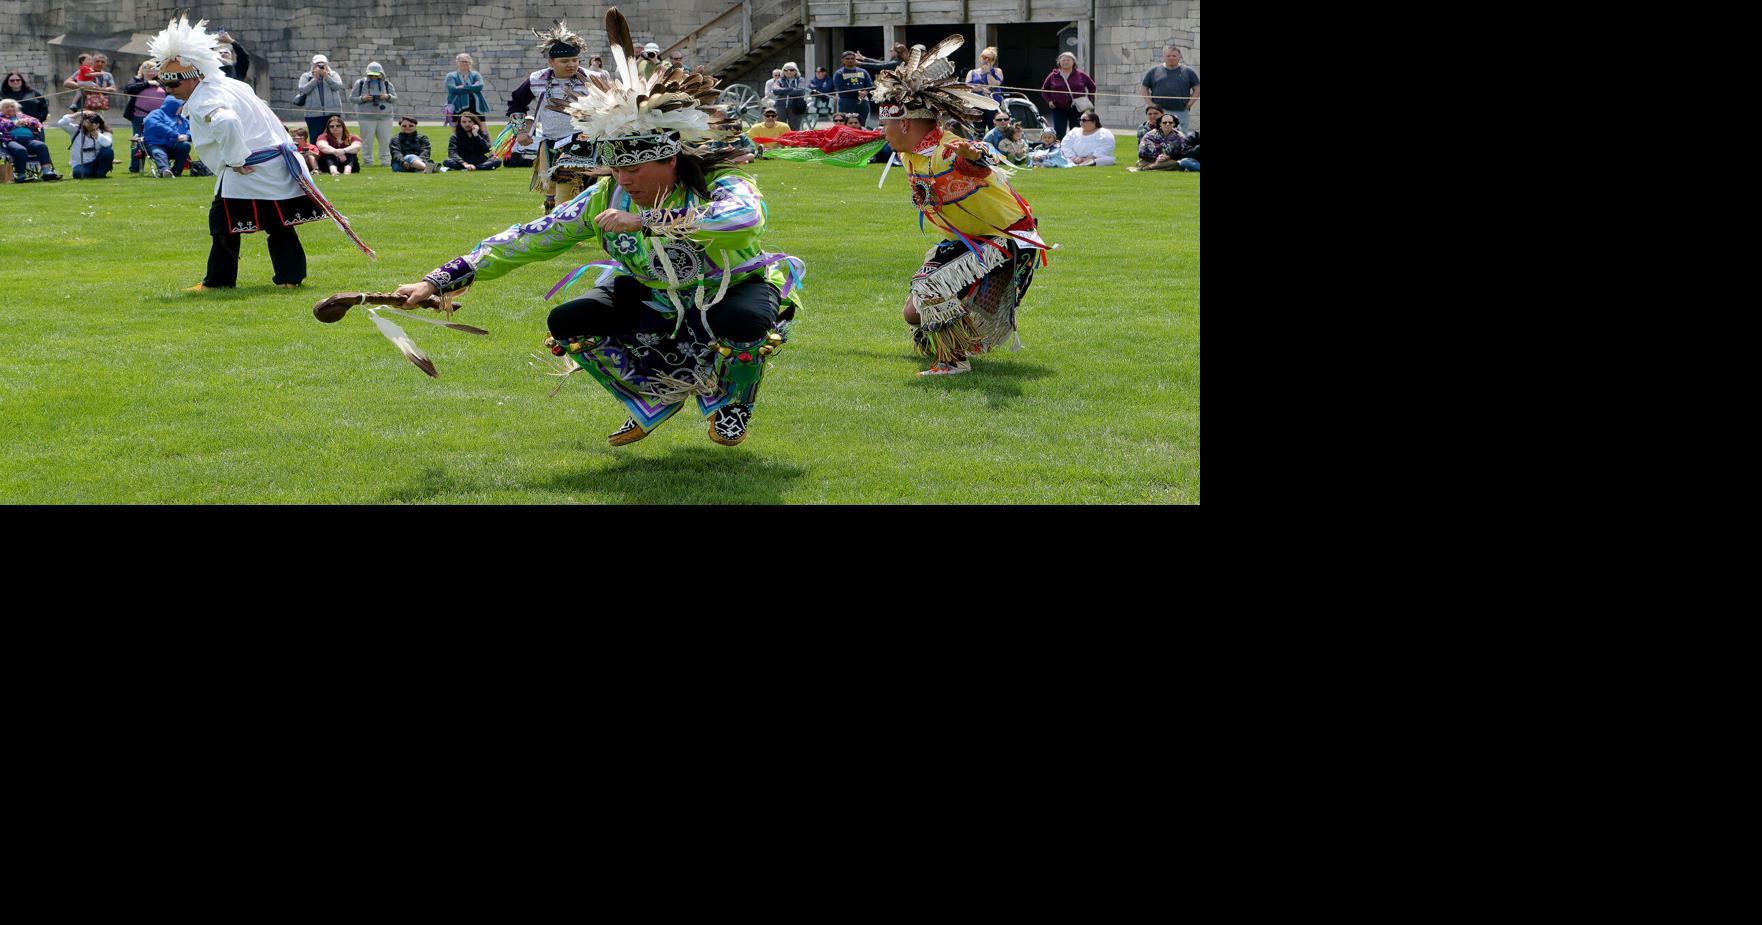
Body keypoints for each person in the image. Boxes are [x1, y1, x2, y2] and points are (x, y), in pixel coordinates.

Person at [392, 6, 805, 448]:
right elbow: (529, 238)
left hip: (733, 285)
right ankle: (650, 399)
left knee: (742, 322)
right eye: (615, 169)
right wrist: (438, 279)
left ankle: (734, 404)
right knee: (570, 319)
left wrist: (647, 221)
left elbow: (744, 220)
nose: (623, 180)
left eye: (635, 169)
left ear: (669, 159)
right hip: (653, 292)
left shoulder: (722, 184)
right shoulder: (606, 197)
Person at [146, 15, 373, 291]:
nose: (169, 91)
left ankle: (219, 281)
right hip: (274, 163)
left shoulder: (207, 97)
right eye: (165, 85)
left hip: (250, 166)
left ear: (193, 76)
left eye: (173, 85)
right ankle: (289, 278)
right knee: (277, 223)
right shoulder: (232, 85)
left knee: (224, 223)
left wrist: (236, 160)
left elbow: (226, 122)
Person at [873, 36, 1052, 375]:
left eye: (885, 125)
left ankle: (953, 361)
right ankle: (946, 342)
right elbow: (843, 141)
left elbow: (980, 162)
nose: (882, 132)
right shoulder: (908, 151)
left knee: (931, 289)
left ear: (906, 124)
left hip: (1009, 237)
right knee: (912, 311)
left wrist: (974, 157)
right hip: (966, 238)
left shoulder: (952, 150)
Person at [507, 21, 594, 213]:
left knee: (567, 183)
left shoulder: (591, 79)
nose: (571, 64)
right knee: (551, 188)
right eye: (565, 61)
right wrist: (520, 131)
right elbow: (516, 104)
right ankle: (553, 229)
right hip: (549, 142)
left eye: (575, 60)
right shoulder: (537, 80)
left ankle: (562, 228)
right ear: (551, 62)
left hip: (581, 141)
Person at [1140, 45, 1199, 132]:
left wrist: (1189, 104)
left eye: (1174, 56)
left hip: (1181, 112)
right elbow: (1143, 88)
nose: (1171, 58)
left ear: (1179, 57)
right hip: (1159, 112)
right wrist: (1150, 104)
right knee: (1157, 137)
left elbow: (1197, 88)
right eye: (1168, 56)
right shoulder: (1153, 71)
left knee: (1181, 138)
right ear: (1164, 57)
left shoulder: (1188, 71)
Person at [122, 62, 168, 173]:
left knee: (160, 140)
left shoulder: (162, 81)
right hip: (140, 116)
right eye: (147, 68)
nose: (151, 70)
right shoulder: (136, 80)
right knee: (138, 140)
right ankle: (135, 167)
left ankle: (163, 166)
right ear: (142, 70)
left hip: (159, 117)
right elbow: (129, 89)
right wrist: (147, 83)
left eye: (154, 68)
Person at [1039, 52, 1095, 141]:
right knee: (1059, 131)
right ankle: (1060, 151)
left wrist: (1088, 101)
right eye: (1063, 60)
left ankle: (1076, 149)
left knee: (1076, 130)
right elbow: (1044, 90)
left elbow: (1092, 87)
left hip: (1077, 108)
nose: (1065, 62)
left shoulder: (1081, 74)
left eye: (1068, 60)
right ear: (1059, 62)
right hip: (1058, 108)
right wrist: (1049, 101)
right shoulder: (1053, 75)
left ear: (1073, 62)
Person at [351, 62, 397, 166]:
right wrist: (363, 99)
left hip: (385, 117)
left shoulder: (387, 83)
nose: (374, 77)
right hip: (366, 117)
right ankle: (368, 161)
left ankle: (386, 161)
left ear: (381, 73)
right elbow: (352, 98)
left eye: (377, 75)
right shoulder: (360, 83)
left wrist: (387, 97)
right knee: (367, 141)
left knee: (385, 141)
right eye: (372, 75)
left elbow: (395, 99)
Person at [0, 98, 58, 181]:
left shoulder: (22, 116)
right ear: (1, 109)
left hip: (29, 140)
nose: (10, 108)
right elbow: (2, 125)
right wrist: (14, 124)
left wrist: (27, 122)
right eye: (6, 107)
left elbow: (36, 122)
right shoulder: (1, 118)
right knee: (20, 150)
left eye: (12, 106)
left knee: (41, 146)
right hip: (11, 141)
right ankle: (21, 174)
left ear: (16, 107)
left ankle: (47, 171)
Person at [294, 54, 344, 141]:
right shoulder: (306, 76)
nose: (320, 66)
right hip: (313, 115)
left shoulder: (333, 75)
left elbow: (337, 87)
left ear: (327, 64)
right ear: (313, 65)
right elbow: (303, 90)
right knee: (315, 140)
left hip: (332, 114)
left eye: (322, 64)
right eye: (318, 64)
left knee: (334, 139)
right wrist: (315, 79)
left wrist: (326, 77)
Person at [141, 95, 192, 177]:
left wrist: (187, 137)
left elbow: (193, 129)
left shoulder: (182, 119)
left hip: (174, 146)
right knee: (158, 152)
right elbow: (155, 125)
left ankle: (176, 171)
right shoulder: (156, 113)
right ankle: (165, 171)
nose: (182, 108)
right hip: (156, 144)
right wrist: (176, 135)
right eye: (181, 106)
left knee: (185, 145)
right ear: (174, 105)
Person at [56, 110, 114, 177]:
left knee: (108, 150)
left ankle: (99, 173)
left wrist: (97, 134)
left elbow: (108, 144)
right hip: (81, 164)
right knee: (78, 173)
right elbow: (61, 123)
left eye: (93, 123)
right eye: (87, 121)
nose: (89, 124)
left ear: (98, 124)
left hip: (97, 162)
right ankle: (96, 173)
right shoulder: (76, 130)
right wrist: (80, 113)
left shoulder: (104, 132)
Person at [831, 51, 874, 127]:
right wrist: (858, 92)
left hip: (862, 102)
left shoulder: (863, 72)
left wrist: (865, 92)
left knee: (862, 123)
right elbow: (840, 88)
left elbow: (869, 85)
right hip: (846, 102)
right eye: (847, 59)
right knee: (845, 124)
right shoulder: (839, 73)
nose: (850, 60)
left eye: (852, 58)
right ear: (843, 60)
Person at [445, 53, 488, 125]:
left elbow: (479, 87)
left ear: (470, 62)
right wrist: (472, 86)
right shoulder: (451, 75)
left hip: (475, 106)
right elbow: (452, 89)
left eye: (466, 61)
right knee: (457, 131)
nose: (463, 63)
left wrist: (462, 87)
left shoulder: (476, 74)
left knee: (482, 130)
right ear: (457, 62)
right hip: (458, 106)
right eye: (461, 61)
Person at [774, 63, 807, 130]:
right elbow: (775, 90)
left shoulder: (801, 80)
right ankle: (781, 141)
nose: (788, 71)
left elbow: (800, 91)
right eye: (786, 70)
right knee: (780, 128)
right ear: (783, 71)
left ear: (795, 71)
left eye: (791, 70)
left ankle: (793, 141)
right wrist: (790, 89)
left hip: (795, 107)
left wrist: (782, 91)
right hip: (780, 106)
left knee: (794, 129)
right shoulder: (779, 80)